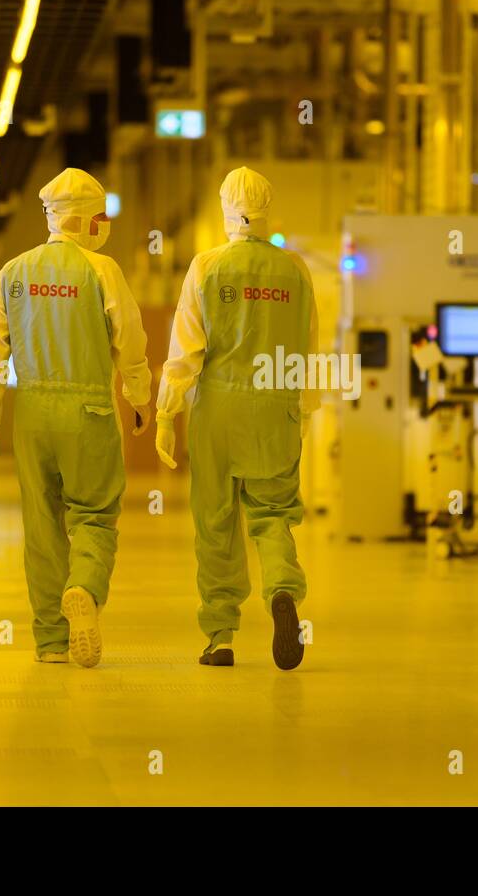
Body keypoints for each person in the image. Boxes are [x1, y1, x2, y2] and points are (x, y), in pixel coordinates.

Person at [0, 168, 152, 668]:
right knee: (94, 514)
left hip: (31, 414)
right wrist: (138, 395)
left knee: (42, 524)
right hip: (88, 409)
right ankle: (85, 589)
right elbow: (129, 340)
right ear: (88, 221)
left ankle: (50, 639)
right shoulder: (102, 270)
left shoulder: (13, 272)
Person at [155, 166, 317, 670]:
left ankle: (220, 636)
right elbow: (309, 349)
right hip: (275, 408)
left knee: (216, 521)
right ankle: (281, 594)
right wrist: (303, 414)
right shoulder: (295, 270)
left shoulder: (206, 267)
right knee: (273, 517)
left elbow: (185, 350)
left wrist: (165, 410)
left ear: (226, 210)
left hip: (218, 412)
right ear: (268, 210)